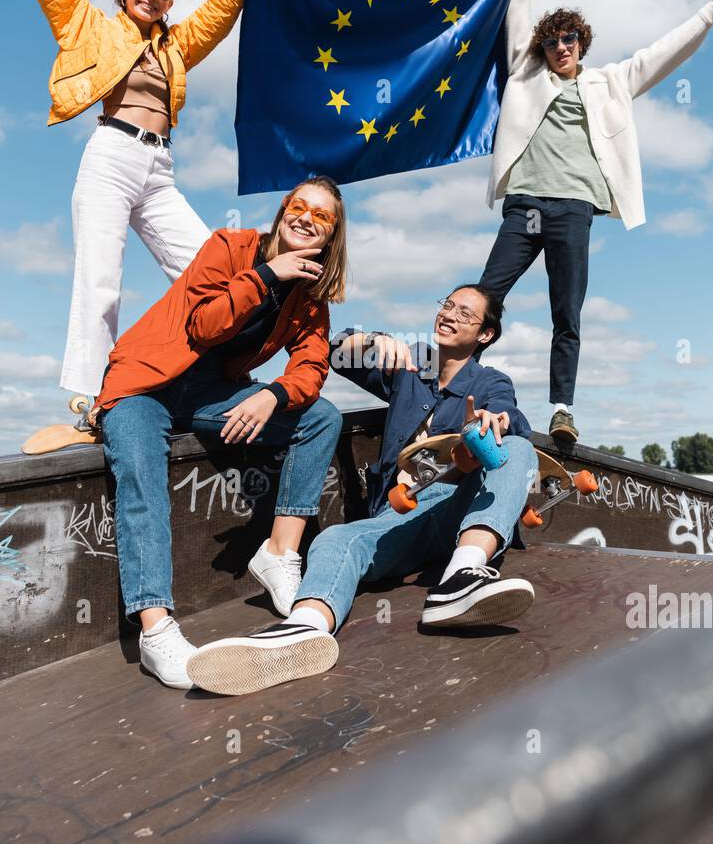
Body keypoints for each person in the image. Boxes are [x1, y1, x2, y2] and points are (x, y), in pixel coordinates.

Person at [0, 0, 261, 402]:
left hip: (160, 171)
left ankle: (216, 371)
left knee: (210, 271)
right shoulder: (87, 26)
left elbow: (225, 5)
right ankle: (89, 397)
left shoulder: (176, 45)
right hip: (111, 156)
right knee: (100, 283)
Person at [186, 286, 538, 697]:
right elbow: (337, 354)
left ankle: (462, 576)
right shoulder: (415, 363)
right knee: (338, 538)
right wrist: (373, 342)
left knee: (517, 447)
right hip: (401, 515)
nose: (451, 316)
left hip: (457, 508)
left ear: (486, 336)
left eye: (466, 314)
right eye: (447, 305)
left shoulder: (491, 381)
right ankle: (303, 630)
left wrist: (493, 419)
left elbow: (509, 415)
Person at [480, 0, 713, 445]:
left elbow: (666, 51)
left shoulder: (611, 82)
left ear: (583, 44)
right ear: (544, 48)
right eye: (554, 40)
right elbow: (518, 17)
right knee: (486, 296)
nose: (562, 46)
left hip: (575, 208)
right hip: (527, 202)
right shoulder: (525, 75)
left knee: (568, 312)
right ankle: (452, 383)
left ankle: (561, 409)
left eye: (571, 38)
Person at [93, 178, 348, 690]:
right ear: (281, 213)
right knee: (141, 474)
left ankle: (278, 553)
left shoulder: (310, 297)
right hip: (144, 385)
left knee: (323, 417)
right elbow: (204, 325)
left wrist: (272, 394)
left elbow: (313, 364)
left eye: (320, 216)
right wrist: (267, 274)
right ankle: (156, 631)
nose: (306, 218)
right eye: (298, 207)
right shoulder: (229, 248)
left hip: (212, 396)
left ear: (331, 235)